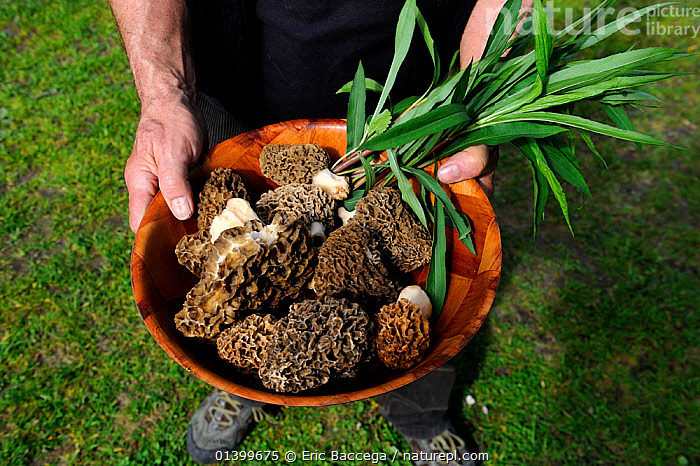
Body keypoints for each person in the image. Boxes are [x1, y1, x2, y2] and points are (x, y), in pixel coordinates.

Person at [111, 0, 529, 464]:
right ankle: (247, 386)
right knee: (243, 326)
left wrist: (475, 102)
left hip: (403, 96)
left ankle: (421, 413)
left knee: (431, 297)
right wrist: (163, 92)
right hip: (225, 79)